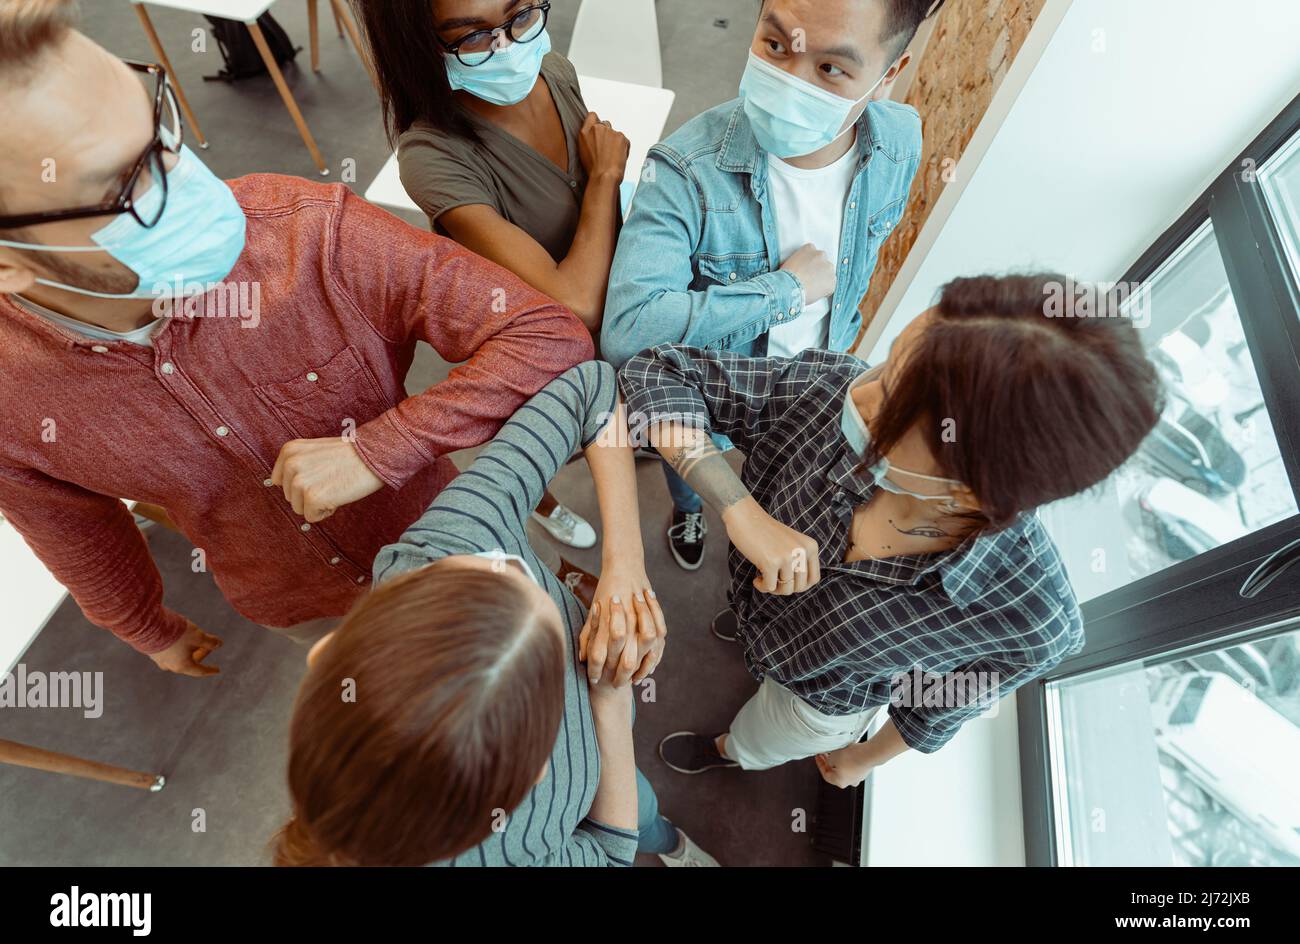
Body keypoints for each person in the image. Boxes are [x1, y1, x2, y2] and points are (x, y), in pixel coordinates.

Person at [0, 0, 590, 676]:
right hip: (300, 605)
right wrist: (147, 628)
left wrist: (379, 449)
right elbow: (71, 525)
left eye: (158, 122)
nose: (183, 177)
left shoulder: (310, 235)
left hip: (460, 539)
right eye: (122, 181)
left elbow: (545, 332)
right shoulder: (12, 397)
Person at [617, 274, 1164, 781]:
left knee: (757, 739)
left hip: (816, 702)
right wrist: (738, 508)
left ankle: (728, 752)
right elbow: (656, 372)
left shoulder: (1031, 616)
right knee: (746, 615)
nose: (859, 393)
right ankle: (744, 628)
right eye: (888, 364)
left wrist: (865, 757)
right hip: (753, 601)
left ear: (971, 491)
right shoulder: (830, 388)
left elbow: (945, 704)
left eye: (890, 411)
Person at [276, 361, 716, 866]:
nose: (496, 552)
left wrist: (626, 565)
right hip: (605, 774)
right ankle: (672, 846)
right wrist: (612, 700)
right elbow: (611, 854)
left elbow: (591, 388)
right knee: (639, 816)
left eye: (500, 567)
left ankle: (666, 840)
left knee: (646, 815)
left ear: (327, 650)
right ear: (534, 770)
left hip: (596, 773)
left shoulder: (443, 545)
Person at [602, 0, 943, 572]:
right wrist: (784, 291)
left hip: (815, 376)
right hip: (715, 387)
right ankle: (689, 507)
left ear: (889, 75)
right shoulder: (685, 170)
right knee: (691, 460)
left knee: (788, 481)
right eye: (777, 45)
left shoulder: (898, 143)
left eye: (830, 68)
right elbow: (629, 331)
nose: (791, 81)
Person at [352, 0, 632, 550]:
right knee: (536, 440)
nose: (507, 47)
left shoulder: (554, 72)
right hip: (534, 341)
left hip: (616, 313)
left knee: (610, 418)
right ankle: (542, 503)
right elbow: (575, 303)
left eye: (521, 15)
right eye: (472, 37)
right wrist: (604, 178)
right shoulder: (433, 155)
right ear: (423, 49)